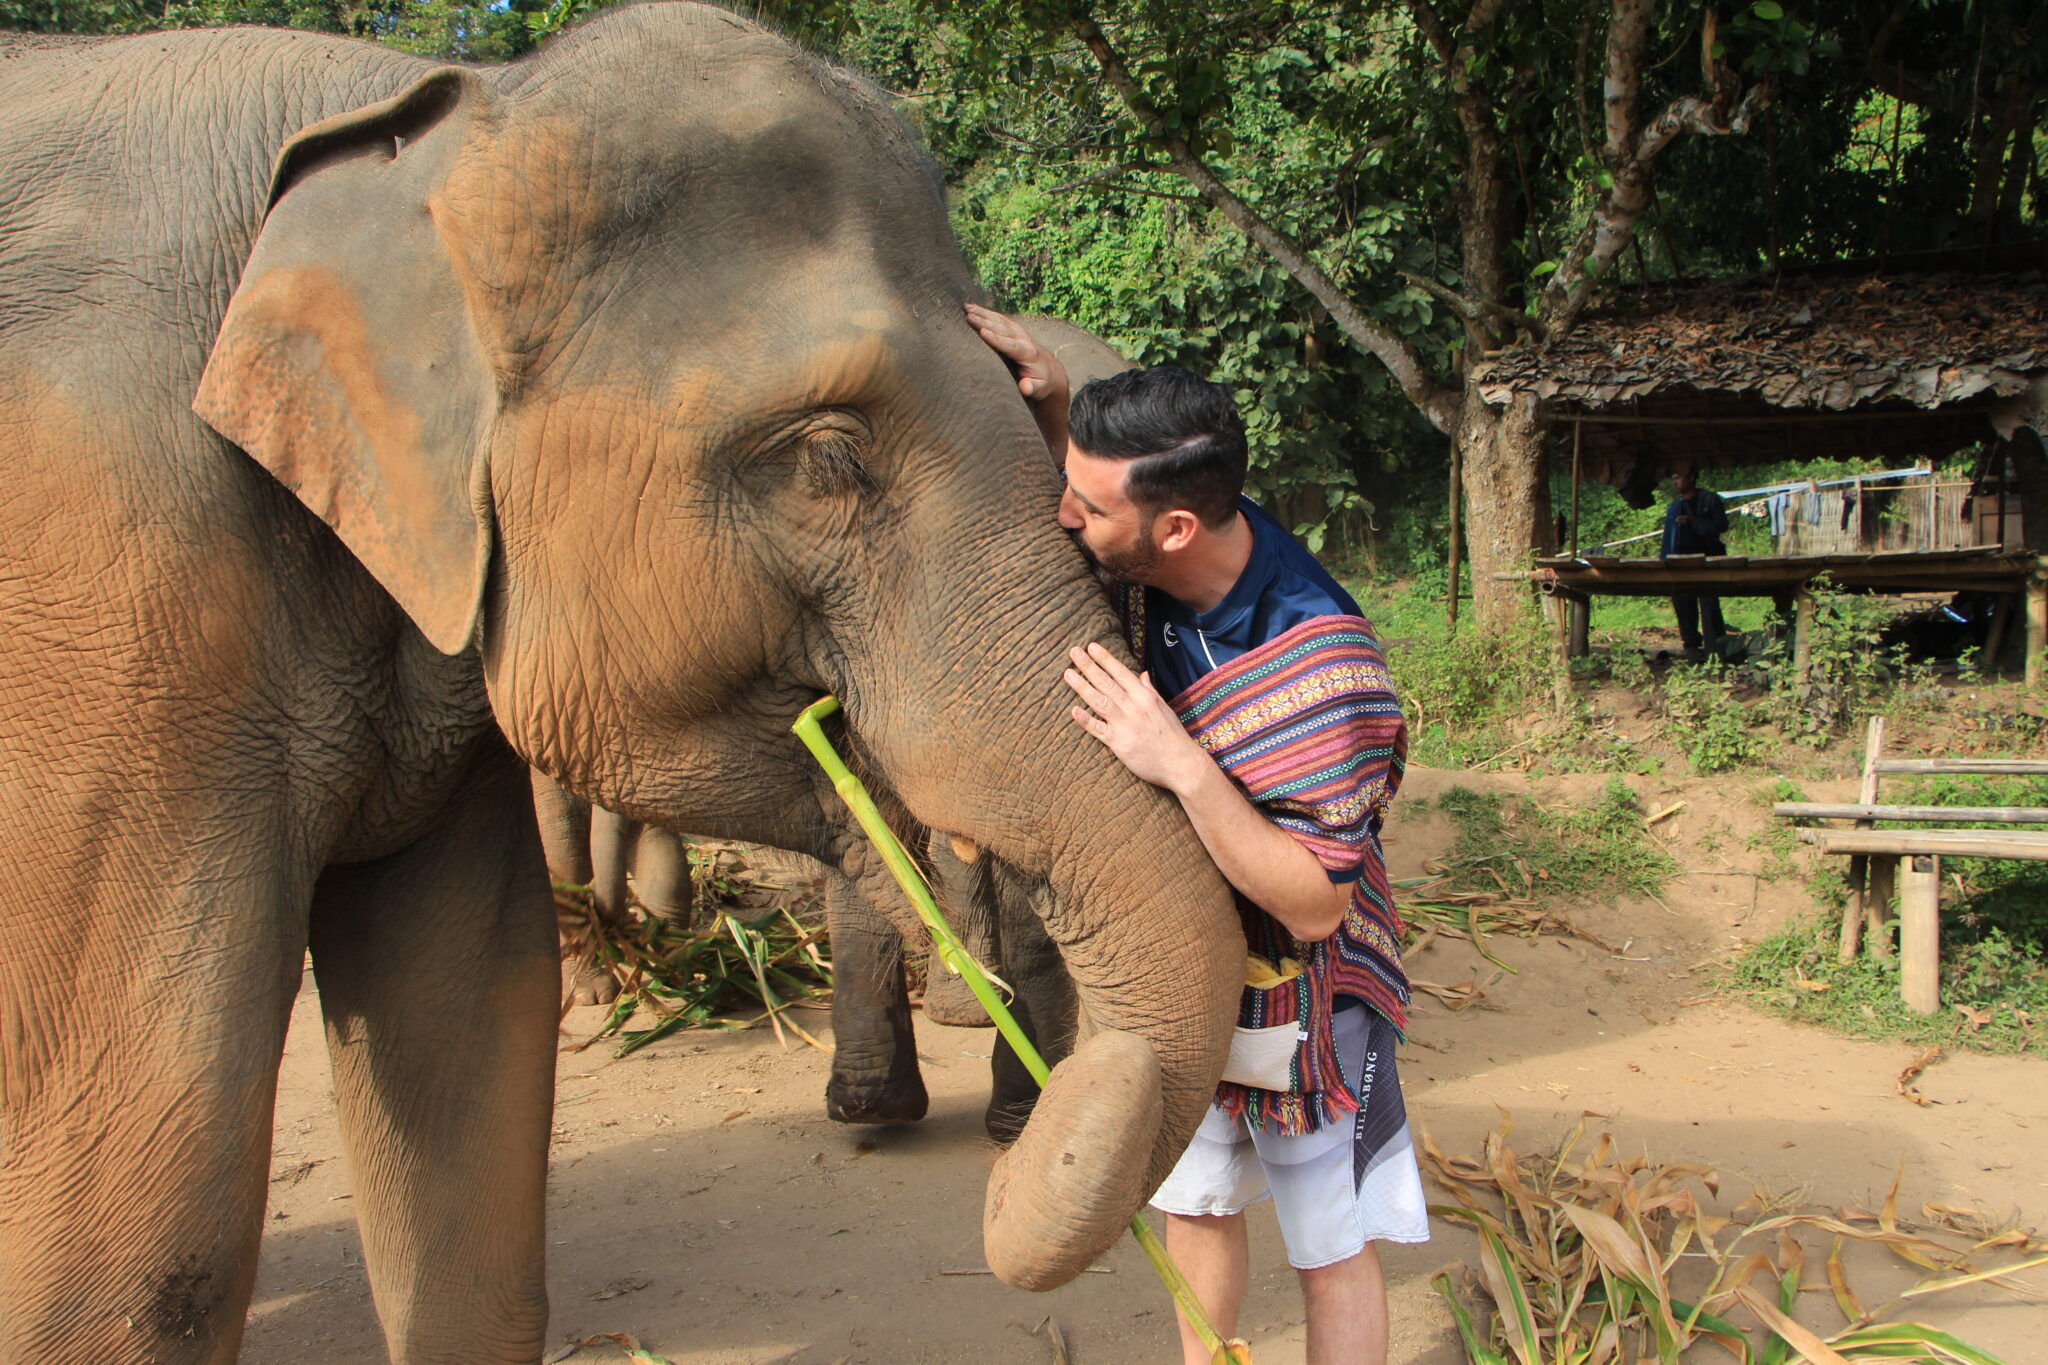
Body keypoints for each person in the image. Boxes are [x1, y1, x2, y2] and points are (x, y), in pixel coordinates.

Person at [968, 303, 1428, 1365]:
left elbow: (1314, 900)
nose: (1066, 518)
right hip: (1186, 962)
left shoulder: (1322, 668)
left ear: (1173, 527)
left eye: (1085, 503)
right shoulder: (1181, 538)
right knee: (1199, 1199)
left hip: (1311, 996)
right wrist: (1050, 412)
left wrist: (1175, 760)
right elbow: (1108, 501)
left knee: (1329, 1241)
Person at [1662, 463, 1729, 657]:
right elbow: (1668, 536)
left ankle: (1715, 646)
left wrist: (1694, 522)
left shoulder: (1710, 499)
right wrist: (1665, 561)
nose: (1675, 482)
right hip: (1680, 562)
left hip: (1707, 560)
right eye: (1673, 478)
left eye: (1679, 477)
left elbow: (1721, 525)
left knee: (1708, 602)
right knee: (1682, 601)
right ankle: (1691, 645)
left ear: (1691, 478)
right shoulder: (1675, 507)